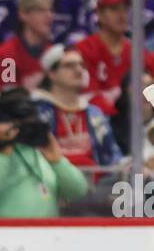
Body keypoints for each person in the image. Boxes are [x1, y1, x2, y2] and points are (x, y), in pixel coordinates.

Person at [0, 89, 88, 215]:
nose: (22, 129)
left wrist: (57, 162)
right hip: (1, 234)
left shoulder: (41, 153)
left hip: (48, 234)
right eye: (17, 124)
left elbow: (78, 191)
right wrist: (3, 153)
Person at [30, 42, 121, 170]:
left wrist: (128, 165)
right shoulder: (36, 111)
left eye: (81, 65)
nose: (79, 70)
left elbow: (112, 156)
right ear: (51, 74)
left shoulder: (94, 113)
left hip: (98, 185)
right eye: (69, 66)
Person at [75, 0, 132, 117]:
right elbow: (87, 96)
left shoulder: (136, 51)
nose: (121, 15)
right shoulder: (84, 49)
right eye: (114, 9)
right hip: (98, 118)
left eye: (125, 10)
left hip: (130, 120)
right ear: (99, 14)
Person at [0, 0, 56, 92]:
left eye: (50, 10)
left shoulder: (52, 52)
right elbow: (8, 96)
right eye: (41, 10)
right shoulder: (8, 56)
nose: (49, 16)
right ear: (23, 15)